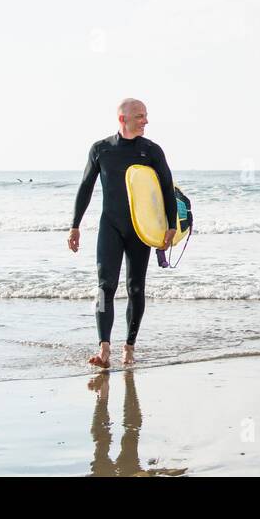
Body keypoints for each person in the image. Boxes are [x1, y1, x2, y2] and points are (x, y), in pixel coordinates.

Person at [68, 98, 176, 370]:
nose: (146, 121)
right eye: (140, 116)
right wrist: (75, 225)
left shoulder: (151, 151)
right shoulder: (101, 149)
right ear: (123, 119)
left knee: (135, 288)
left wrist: (171, 226)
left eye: (146, 116)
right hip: (111, 226)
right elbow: (85, 187)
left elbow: (166, 188)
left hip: (140, 230)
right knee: (105, 287)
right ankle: (104, 348)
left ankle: (129, 347)